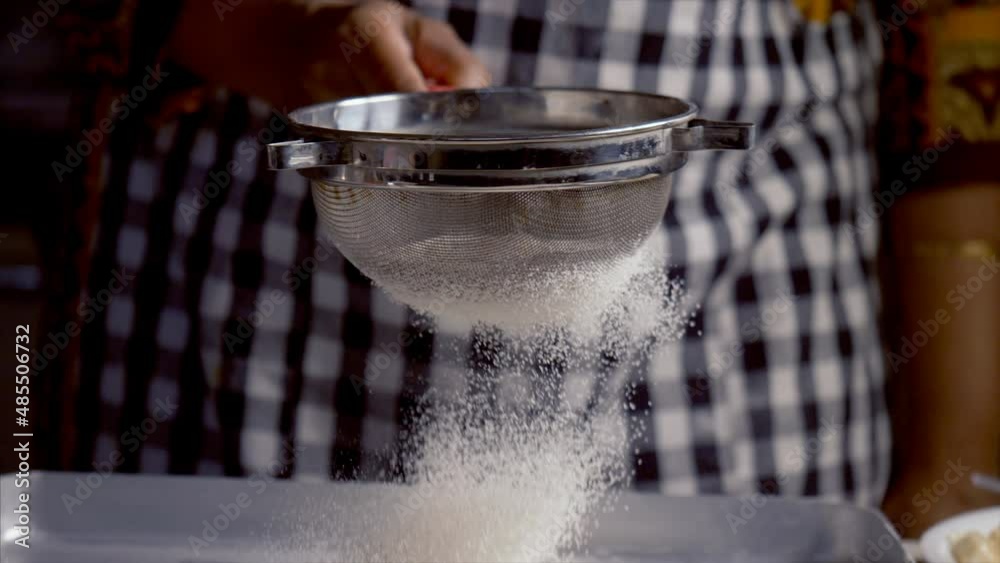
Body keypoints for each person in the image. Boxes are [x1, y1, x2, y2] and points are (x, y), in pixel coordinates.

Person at [45, 0, 922, 528]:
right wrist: (284, 30)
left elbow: (961, 71)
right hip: (237, 346)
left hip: (730, 370)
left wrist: (948, 473)